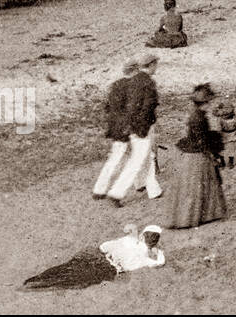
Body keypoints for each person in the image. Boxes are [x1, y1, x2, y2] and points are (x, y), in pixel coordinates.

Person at [24, 225, 165, 291]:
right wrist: (158, 251)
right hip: (108, 269)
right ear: (153, 243)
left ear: (142, 236)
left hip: (97, 256)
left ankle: (37, 278)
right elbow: (160, 262)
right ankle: (41, 284)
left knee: (66, 266)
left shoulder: (129, 240)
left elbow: (104, 246)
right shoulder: (145, 260)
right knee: (71, 279)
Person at [166, 83, 227, 229]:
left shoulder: (196, 114)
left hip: (190, 154)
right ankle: (198, 216)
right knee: (200, 187)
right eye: (208, 102)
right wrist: (213, 156)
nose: (209, 104)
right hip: (197, 156)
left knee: (193, 188)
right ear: (204, 103)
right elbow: (202, 141)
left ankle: (193, 217)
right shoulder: (199, 118)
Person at [107, 53, 162, 207]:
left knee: (142, 158)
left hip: (132, 125)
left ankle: (151, 189)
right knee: (144, 158)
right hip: (143, 126)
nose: (156, 67)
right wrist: (142, 127)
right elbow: (147, 107)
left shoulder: (132, 81)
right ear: (151, 65)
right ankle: (117, 193)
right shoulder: (147, 82)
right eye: (155, 64)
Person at [92, 59, 137, 201]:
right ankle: (100, 189)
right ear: (135, 70)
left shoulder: (115, 85)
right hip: (125, 127)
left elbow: (107, 107)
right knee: (120, 157)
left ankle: (100, 189)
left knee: (123, 156)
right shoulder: (133, 86)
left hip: (115, 126)